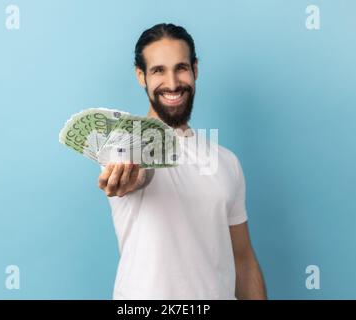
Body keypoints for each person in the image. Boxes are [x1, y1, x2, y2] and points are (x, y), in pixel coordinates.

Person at [98, 23, 267, 300]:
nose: (173, 83)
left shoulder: (226, 162)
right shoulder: (123, 146)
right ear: (141, 76)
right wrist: (129, 177)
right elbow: (140, 174)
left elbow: (243, 260)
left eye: (181, 68)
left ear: (195, 70)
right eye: (158, 70)